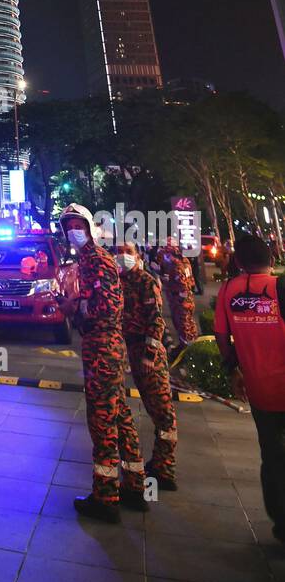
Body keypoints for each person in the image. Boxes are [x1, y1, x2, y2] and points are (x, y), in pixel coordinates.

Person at [58, 204, 147, 523]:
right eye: (67, 226)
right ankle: (136, 486)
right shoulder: (85, 261)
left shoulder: (96, 260)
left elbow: (106, 307)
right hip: (105, 346)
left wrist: (74, 308)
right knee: (120, 414)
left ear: (89, 227)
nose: (72, 231)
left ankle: (106, 497)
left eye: (76, 224)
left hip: (102, 346)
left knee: (102, 419)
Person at [214, 234, 285, 544]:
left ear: (239, 262)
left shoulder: (228, 291)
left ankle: (282, 525)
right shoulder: (280, 287)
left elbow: (220, 335)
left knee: (272, 457)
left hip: (259, 391)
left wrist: (233, 371)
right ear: (271, 258)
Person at [114, 241, 178, 490]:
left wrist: (150, 354)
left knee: (163, 413)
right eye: (118, 252)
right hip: (125, 349)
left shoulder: (146, 281)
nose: (122, 256)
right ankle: (154, 465)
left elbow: (156, 320)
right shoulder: (117, 281)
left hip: (146, 352)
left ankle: (165, 468)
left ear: (138, 256)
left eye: (127, 252)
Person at [160, 235, 199, 350]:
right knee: (188, 324)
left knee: (184, 326)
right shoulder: (184, 260)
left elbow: (181, 284)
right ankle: (191, 347)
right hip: (187, 299)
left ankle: (187, 351)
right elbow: (190, 282)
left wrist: (166, 281)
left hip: (180, 300)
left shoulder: (176, 264)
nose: (165, 256)